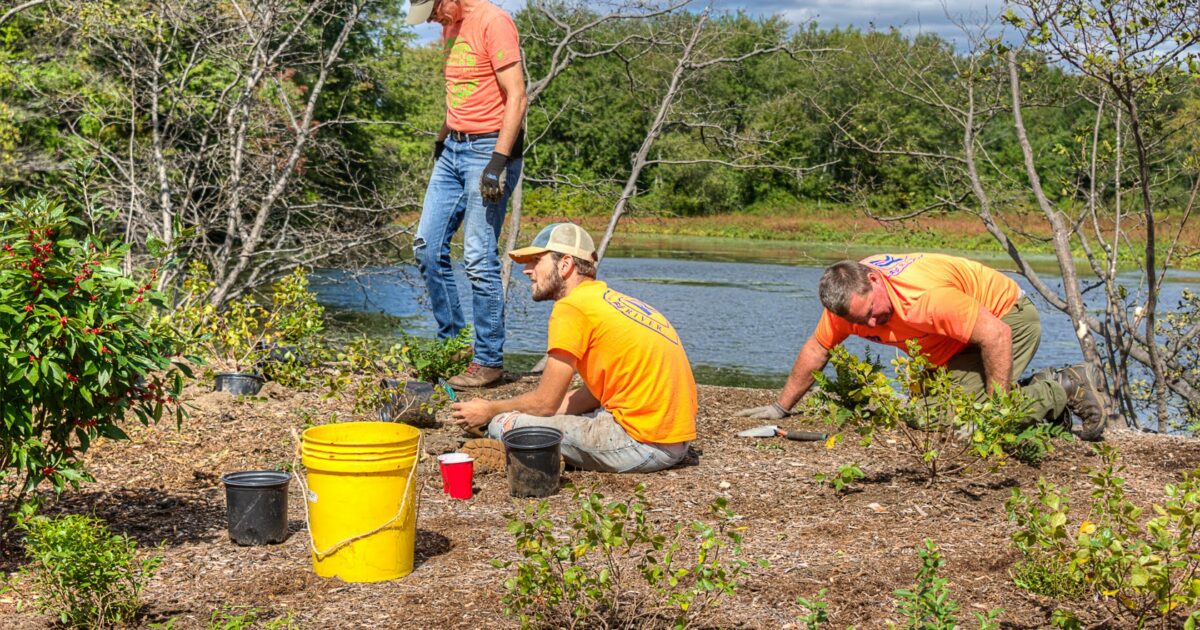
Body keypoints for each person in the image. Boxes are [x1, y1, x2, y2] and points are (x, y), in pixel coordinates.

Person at [736, 253, 1118, 440]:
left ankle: (1064, 386)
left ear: (875, 280)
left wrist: (995, 414)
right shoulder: (849, 303)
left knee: (968, 421)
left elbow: (997, 335)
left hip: (1006, 319)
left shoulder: (924, 297)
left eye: (871, 313)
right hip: (954, 341)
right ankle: (1041, 400)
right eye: (860, 322)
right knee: (926, 415)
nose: (871, 326)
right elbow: (817, 349)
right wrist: (781, 407)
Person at [451, 223, 698, 472]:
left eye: (536, 260)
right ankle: (545, 447)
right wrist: (539, 416)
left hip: (641, 444)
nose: (526, 270)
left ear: (565, 264)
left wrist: (490, 410)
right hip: (673, 441)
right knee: (531, 419)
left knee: (501, 424)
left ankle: (529, 453)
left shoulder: (572, 307)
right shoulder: (613, 302)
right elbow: (591, 396)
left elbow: (545, 403)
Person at [407, 0, 527, 387]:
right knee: (426, 247)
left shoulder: (494, 22)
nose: (433, 20)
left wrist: (498, 162)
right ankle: (454, 346)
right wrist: (442, 137)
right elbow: (462, 93)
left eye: (433, 11)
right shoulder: (450, 25)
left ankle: (488, 360)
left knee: (477, 257)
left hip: (488, 150)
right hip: (453, 148)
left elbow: (517, 96)